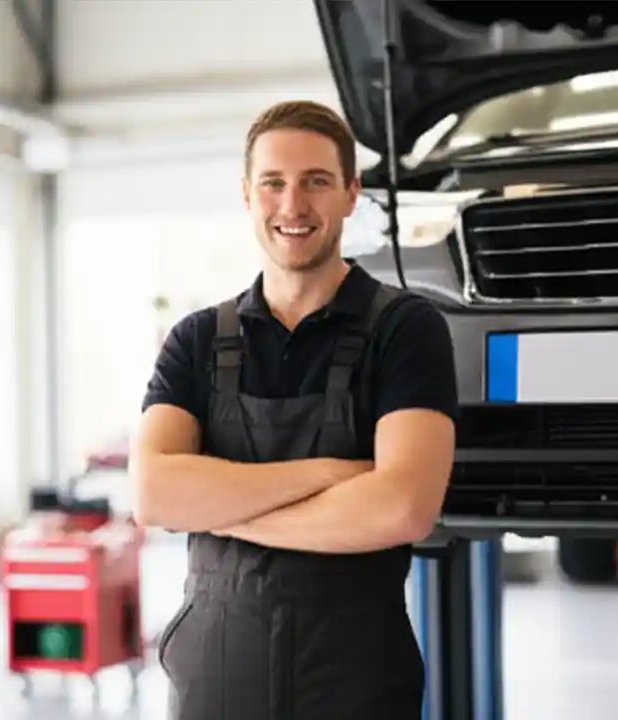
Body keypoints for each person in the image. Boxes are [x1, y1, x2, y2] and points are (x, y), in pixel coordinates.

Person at [129, 100, 458, 719]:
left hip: (355, 684)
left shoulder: (406, 330)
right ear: (246, 193)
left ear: (352, 193)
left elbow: (402, 507)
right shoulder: (196, 341)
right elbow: (154, 495)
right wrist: (329, 475)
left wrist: (223, 512)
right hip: (217, 683)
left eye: (316, 182)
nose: (293, 205)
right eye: (273, 183)